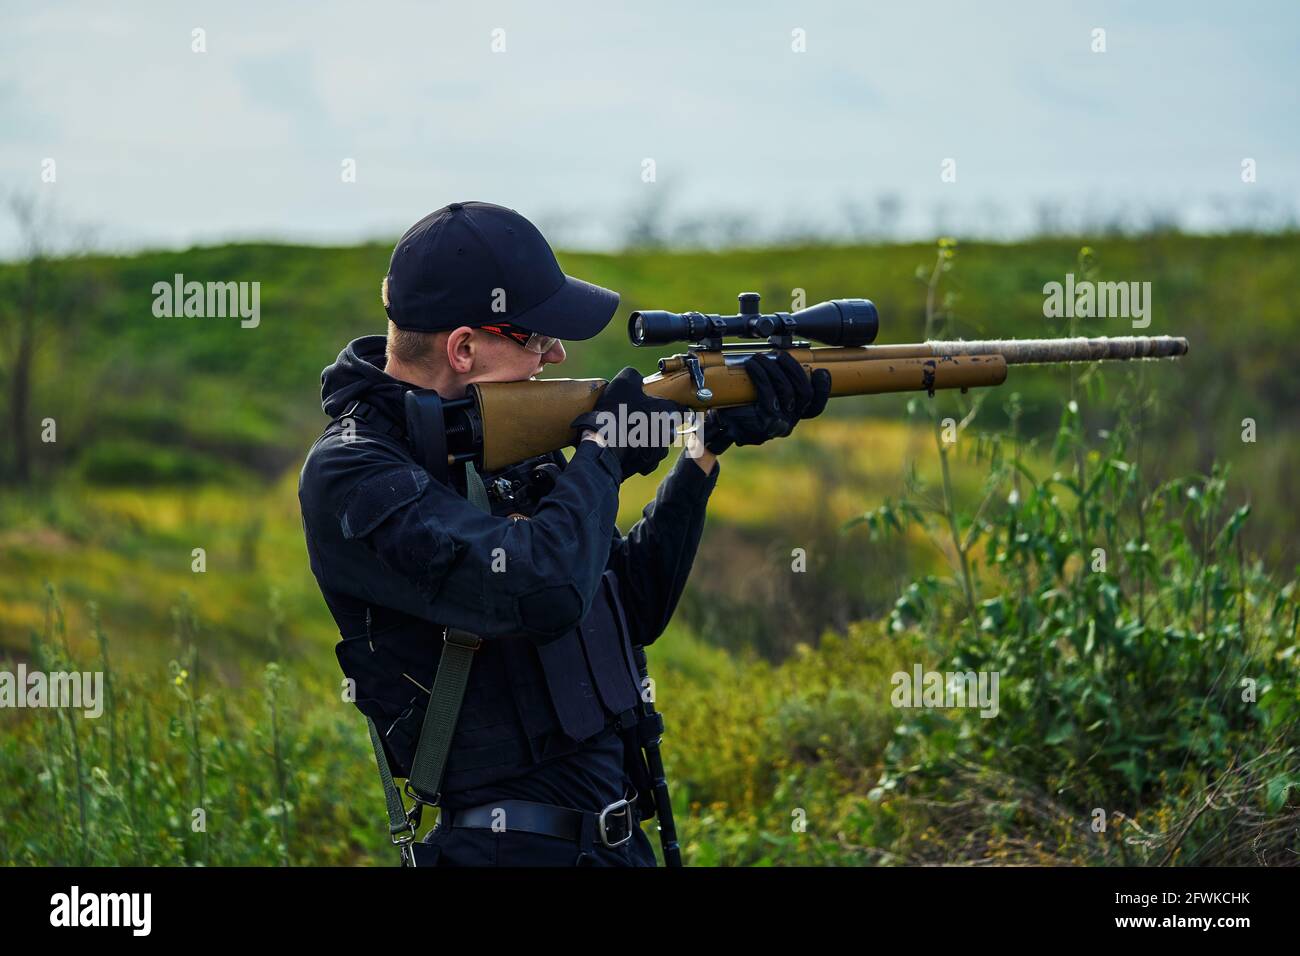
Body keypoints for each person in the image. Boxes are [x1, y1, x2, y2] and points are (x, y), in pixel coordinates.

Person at [298, 201, 830, 866]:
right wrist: (603, 454)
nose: (556, 354)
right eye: (536, 338)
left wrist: (703, 446)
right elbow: (540, 586)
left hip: (615, 839)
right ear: (464, 347)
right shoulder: (355, 472)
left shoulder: (505, 440)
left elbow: (629, 607)